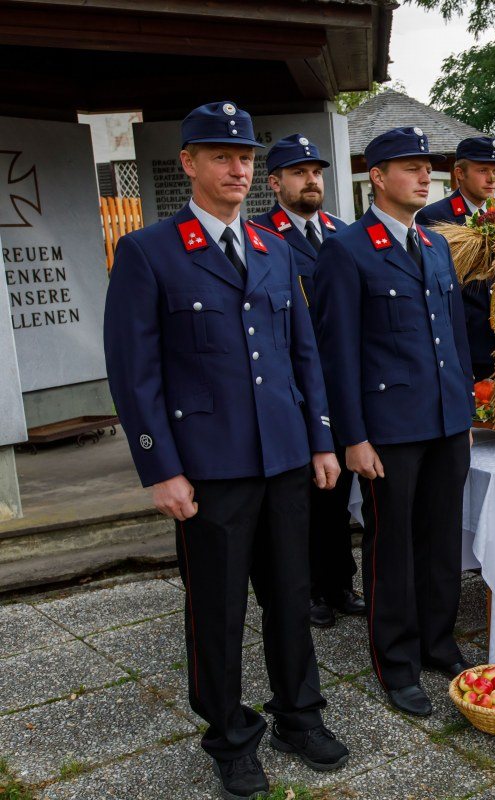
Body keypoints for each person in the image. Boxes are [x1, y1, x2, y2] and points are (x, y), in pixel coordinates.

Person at [103, 102, 349, 800]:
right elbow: (134, 373)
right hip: (208, 473)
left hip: (285, 461)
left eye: (245, 156)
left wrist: (322, 440)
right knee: (217, 610)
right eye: (220, 155)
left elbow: (303, 355)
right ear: (188, 164)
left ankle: (299, 715)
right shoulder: (150, 252)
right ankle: (230, 736)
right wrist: (160, 466)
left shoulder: (273, 250)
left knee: (291, 598)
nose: (237, 167)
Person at [311, 126, 474, 718]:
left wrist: (464, 408)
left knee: (441, 540)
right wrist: (351, 436)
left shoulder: (436, 247)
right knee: (393, 546)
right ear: (377, 177)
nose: (422, 173)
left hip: (445, 422)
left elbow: (453, 339)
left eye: (425, 164)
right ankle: (397, 660)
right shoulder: (347, 250)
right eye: (408, 166)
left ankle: (437, 641)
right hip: (388, 429)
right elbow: (337, 354)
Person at [251, 134, 363, 630]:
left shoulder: (342, 232)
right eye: (298, 172)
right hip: (293, 388)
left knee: (339, 492)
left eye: (316, 171)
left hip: (341, 384)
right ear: (275, 183)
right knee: (305, 498)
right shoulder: (261, 236)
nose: (311, 180)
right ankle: (310, 589)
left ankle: (341, 582)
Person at [415, 135, 495, 379]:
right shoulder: (435, 217)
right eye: (482, 170)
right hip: (466, 340)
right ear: (460, 173)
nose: (492, 179)